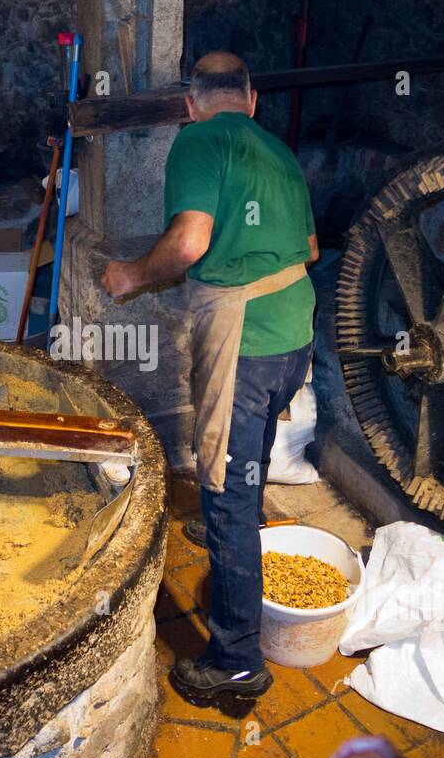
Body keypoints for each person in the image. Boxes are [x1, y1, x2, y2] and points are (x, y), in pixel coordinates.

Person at [101, 51, 318, 701]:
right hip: (296, 336)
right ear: (251, 101)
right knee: (244, 460)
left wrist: (132, 274)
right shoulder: (278, 150)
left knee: (223, 484)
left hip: (245, 343)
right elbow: (308, 249)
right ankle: (233, 515)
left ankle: (236, 661)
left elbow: (191, 242)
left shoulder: (198, 140)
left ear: (191, 104)